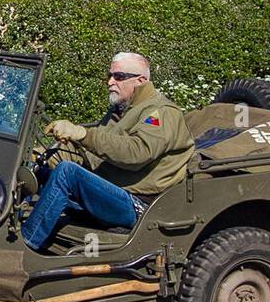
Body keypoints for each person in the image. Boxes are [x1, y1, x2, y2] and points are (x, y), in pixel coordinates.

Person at [20, 52, 195, 251]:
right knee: (37, 169)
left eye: (119, 77)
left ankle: (25, 247)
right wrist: (41, 154)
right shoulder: (122, 110)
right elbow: (92, 153)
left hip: (138, 204)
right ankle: (10, 229)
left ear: (141, 80)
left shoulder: (160, 113)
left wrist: (83, 134)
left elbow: (137, 153)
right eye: (109, 75)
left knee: (67, 172)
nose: (110, 82)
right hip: (112, 190)